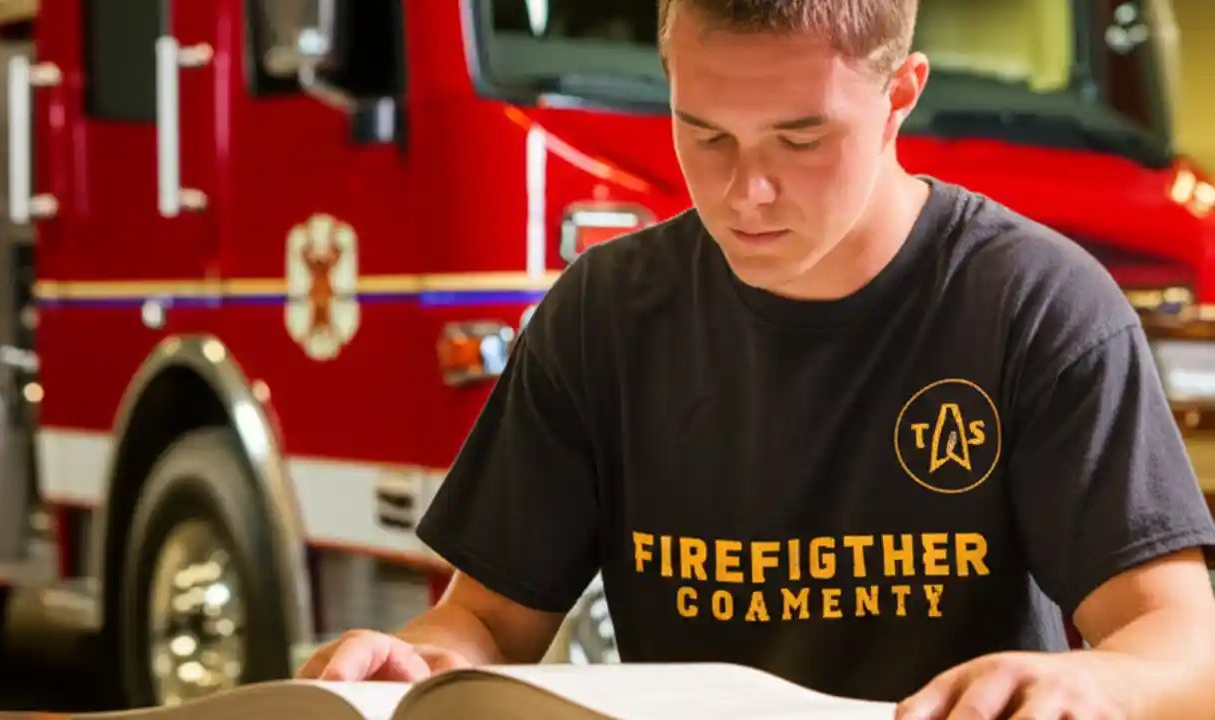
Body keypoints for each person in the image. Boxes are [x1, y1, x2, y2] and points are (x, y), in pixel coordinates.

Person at [298, 0, 1215, 717]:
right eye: (704, 133)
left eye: (800, 138)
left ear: (901, 94)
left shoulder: (1037, 308)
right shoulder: (604, 317)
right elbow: (489, 621)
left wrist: (1106, 689)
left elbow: (1181, 641)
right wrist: (418, 665)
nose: (747, 191)